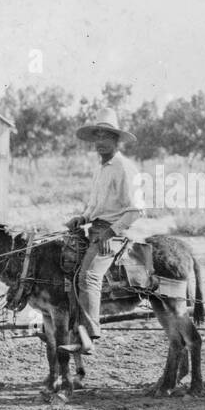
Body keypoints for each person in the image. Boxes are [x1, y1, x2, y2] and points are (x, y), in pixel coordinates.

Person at [60, 109, 144, 354]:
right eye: (97, 136)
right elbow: (95, 206)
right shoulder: (100, 169)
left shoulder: (125, 168)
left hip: (112, 235)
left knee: (88, 277)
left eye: (106, 136)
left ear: (117, 140)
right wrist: (82, 218)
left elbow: (136, 210)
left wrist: (110, 233)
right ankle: (70, 327)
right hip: (95, 231)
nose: (100, 142)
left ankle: (89, 335)